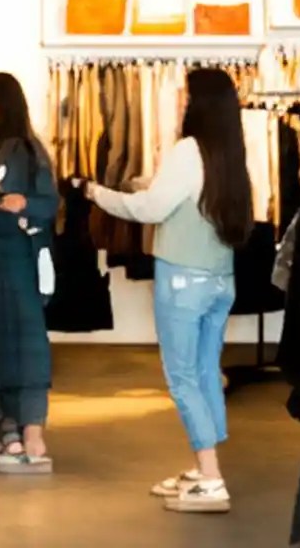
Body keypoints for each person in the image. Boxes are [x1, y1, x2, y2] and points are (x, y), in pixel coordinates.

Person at [85, 67, 253, 513]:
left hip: (183, 280)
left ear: (200, 104)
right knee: (204, 373)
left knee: (181, 378)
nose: (180, 101)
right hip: (221, 280)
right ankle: (206, 469)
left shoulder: (188, 150)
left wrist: (98, 194)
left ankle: (212, 478)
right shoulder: (229, 152)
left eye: (185, 95)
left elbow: (151, 209)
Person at [0, 72, 59, 474]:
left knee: (26, 344)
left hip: (19, 258)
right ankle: (10, 429)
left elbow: (49, 204)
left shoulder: (27, 149)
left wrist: (20, 202)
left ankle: (31, 434)